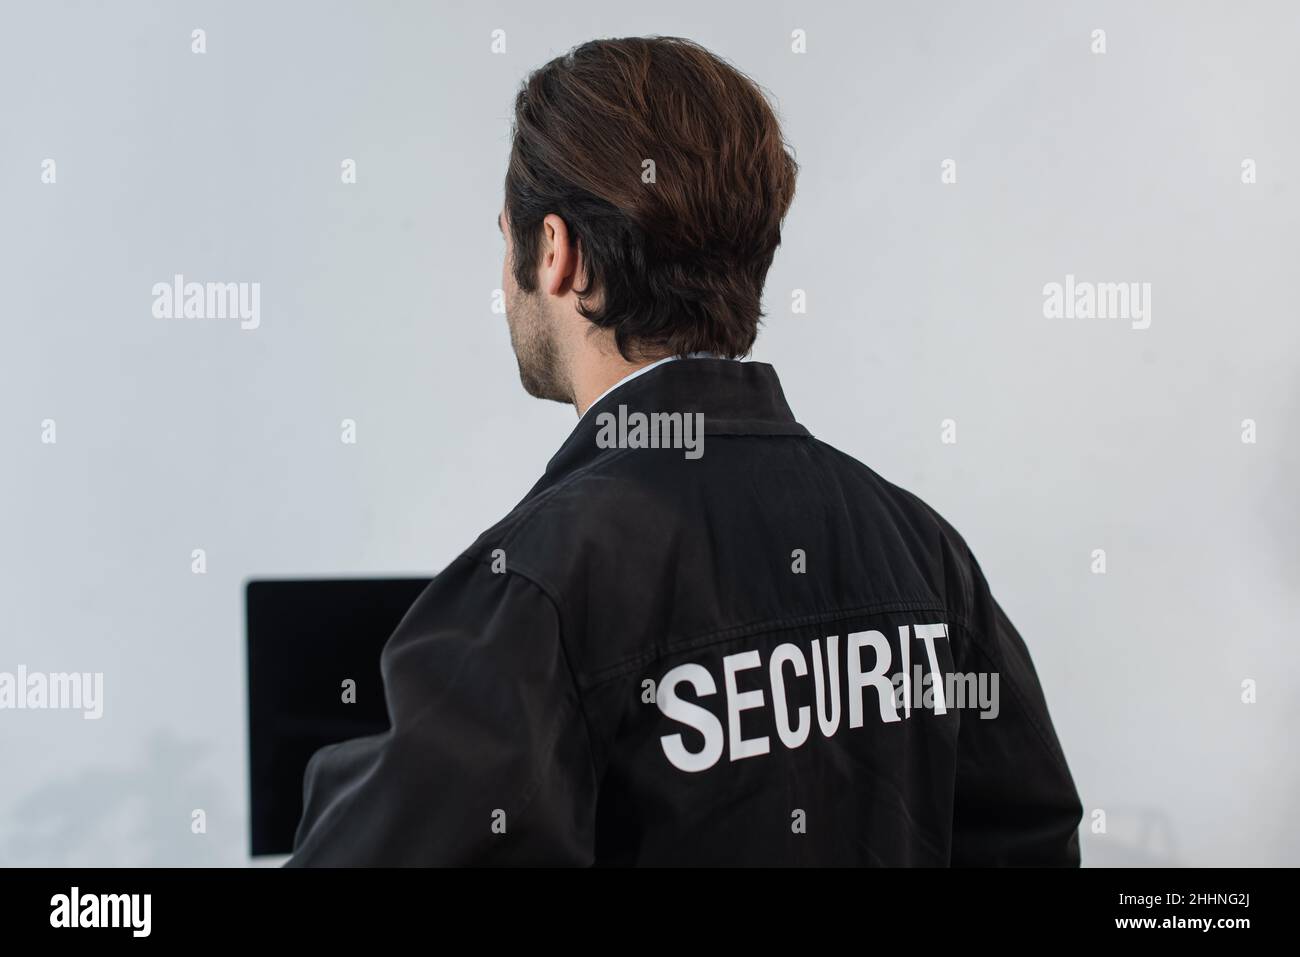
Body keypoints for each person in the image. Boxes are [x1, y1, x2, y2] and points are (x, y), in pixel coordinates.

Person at [286, 36, 1082, 866]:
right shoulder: (921, 551)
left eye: (506, 239)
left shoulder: (535, 590)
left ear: (556, 253)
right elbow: (1031, 836)